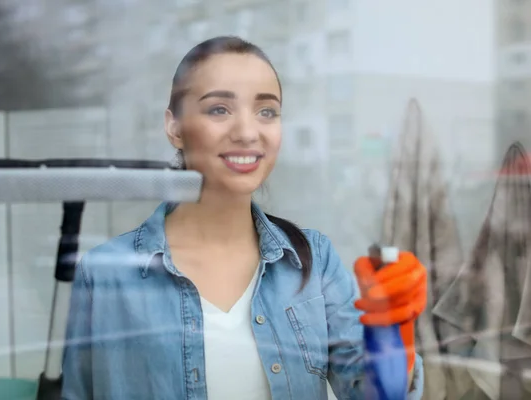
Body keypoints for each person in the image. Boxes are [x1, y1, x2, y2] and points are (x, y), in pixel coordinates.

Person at [61, 36, 427, 400]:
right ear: (174, 127)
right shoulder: (106, 272)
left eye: (266, 111)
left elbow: (375, 394)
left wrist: (394, 333)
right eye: (219, 109)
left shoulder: (314, 261)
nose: (248, 132)